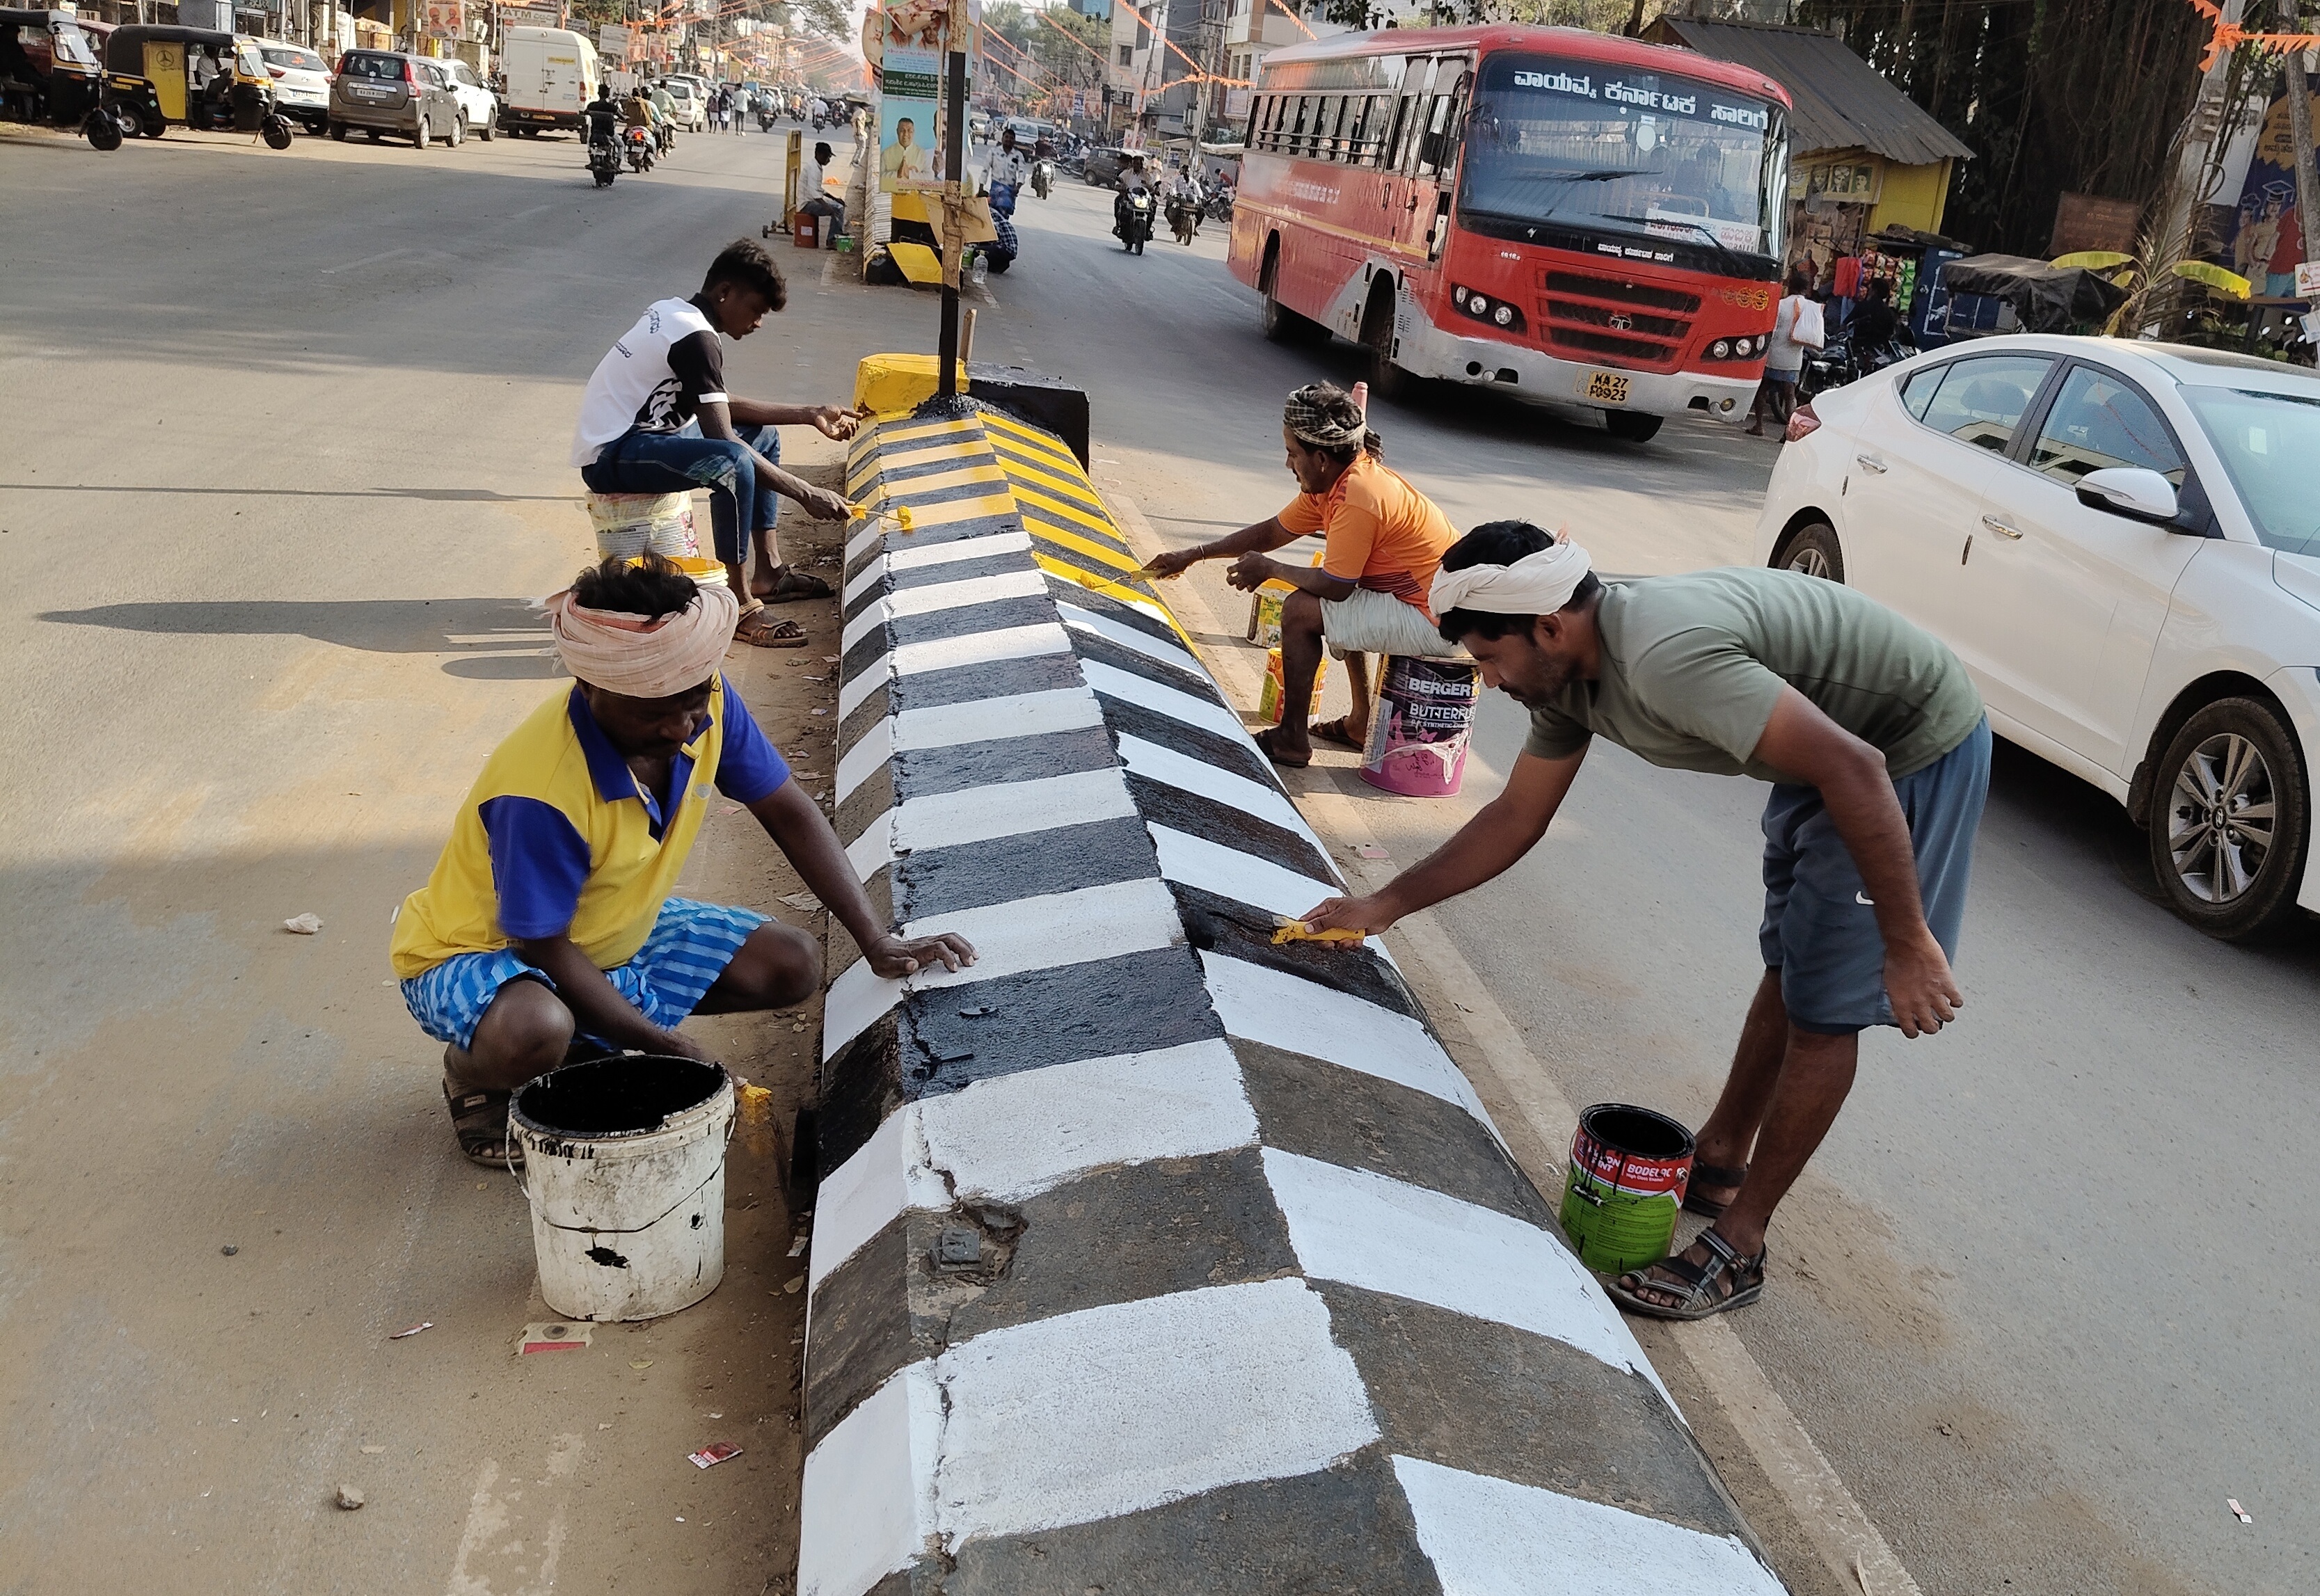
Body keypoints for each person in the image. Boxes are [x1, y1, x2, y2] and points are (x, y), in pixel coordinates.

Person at [1299, 522, 1990, 1320]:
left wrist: (1906, 942)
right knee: (1795, 966)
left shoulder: (1664, 656)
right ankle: (1722, 1156)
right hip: (1833, 749)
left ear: (1549, 626)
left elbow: (1855, 768)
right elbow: (1518, 815)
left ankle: (1741, 1243)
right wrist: (1382, 904)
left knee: (1828, 1006)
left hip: (1900, 752)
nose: (1486, 681)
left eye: (1490, 658)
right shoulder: (1565, 677)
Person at [393, 555, 976, 1167]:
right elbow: (541, 943)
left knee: (792, 964)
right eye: (653, 713)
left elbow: (788, 811)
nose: (680, 726)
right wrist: (661, 1045)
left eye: (692, 702)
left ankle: (588, 1035)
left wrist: (876, 940)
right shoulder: (539, 790)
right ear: (591, 688)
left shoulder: (708, 702)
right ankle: (474, 1070)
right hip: (485, 952)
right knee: (535, 1030)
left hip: (611, 930)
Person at [1143, 383, 1463, 768]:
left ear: (1322, 457)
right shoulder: (1335, 481)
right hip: (1427, 604)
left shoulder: (1357, 496)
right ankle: (1360, 721)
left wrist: (1271, 569)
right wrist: (1193, 554)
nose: (1288, 465)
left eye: (1293, 455)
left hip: (1439, 621)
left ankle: (1291, 739)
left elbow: (1336, 588)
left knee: (1301, 609)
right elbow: (1272, 531)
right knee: (1327, 592)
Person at [571, 239, 861, 648]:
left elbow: (716, 407)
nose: (758, 322)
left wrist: (809, 412)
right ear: (724, 293)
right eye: (756, 310)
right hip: (612, 453)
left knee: (763, 437)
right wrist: (804, 492)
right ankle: (741, 606)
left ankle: (769, 574)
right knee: (732, 462)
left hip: (650, 438)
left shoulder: (675, 313)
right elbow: (723, 438)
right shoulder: (696, 337)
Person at [1748, 267, 1820, 437]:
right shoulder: (1810, 308)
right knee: (1790, 395)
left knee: (1762, 391)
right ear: (1806, 289)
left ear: (1789, 286)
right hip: (1794, 359)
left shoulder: (1781, 305)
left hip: (1775, 356)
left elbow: (1771, 328)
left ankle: (1758, 426)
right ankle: (1787, 434)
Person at [799, 139, 846, 244]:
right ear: (819, 155)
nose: (828, 160)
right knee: (837, 209)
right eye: (827, 157)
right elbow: (814, 193)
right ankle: (832, 239)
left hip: (812, 201)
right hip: (806, 204)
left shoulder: (816, 166)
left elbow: (819, 189)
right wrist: (827, 206)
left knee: (838, 205)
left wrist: (835, 198)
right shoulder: (813, 169)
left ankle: (837, 233)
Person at [881, 115, 930, 186]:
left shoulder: (922, 154)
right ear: (897, 132)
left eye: (909, 131)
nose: (906, 135)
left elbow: (930, 177)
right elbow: (878, 177)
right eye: (902, 131)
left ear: (913, 132)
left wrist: (909, 174)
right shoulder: (886, 153)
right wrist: (896, 174)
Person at [584, 83, 619, 167]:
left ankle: (592, 161)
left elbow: (585, 112)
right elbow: (621, 115)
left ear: (598, 93)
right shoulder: (611, 107)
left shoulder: (592, 106)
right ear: (608, 94)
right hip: (608, 134)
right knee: (620, 145)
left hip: (595, 133)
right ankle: (617, 165)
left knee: (590, 145)